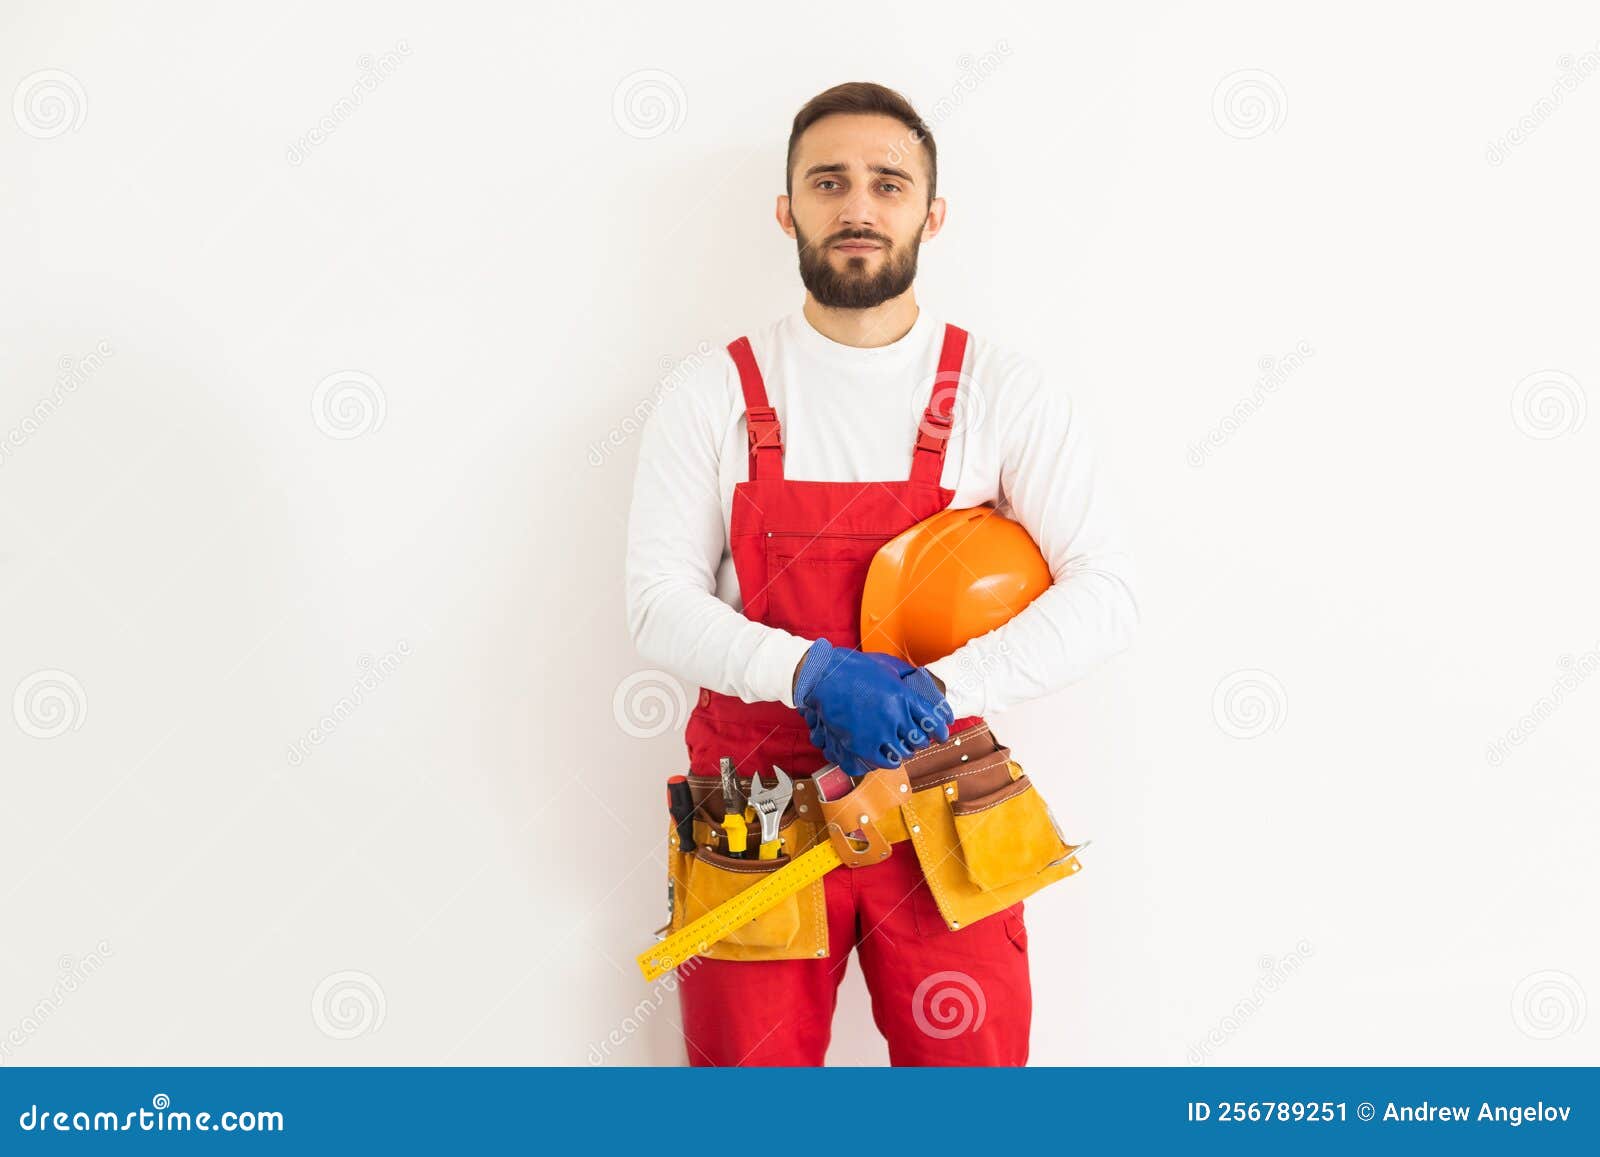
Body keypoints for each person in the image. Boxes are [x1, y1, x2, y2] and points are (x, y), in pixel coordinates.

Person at [625, 81, 1139, 1066]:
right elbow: (655, 604)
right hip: (756, 814)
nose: (858, 206)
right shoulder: (712, 393)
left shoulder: (1001, 390)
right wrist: (810, 672)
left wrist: (939, 691)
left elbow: (1107, 591)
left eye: (888, 184)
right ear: (787, 210)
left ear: (931, 214)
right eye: (828, 182)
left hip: (939, 798)